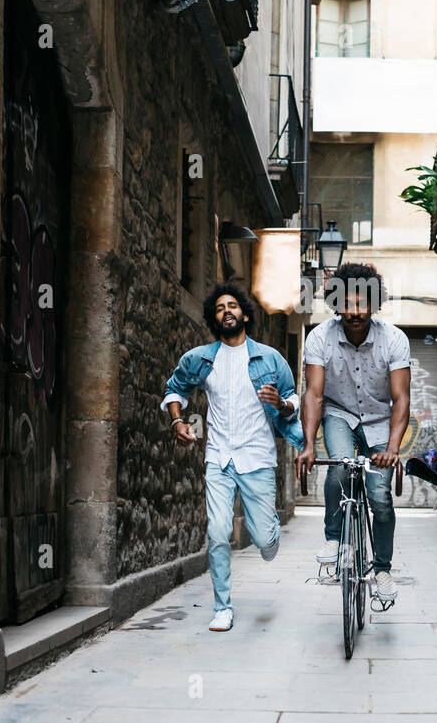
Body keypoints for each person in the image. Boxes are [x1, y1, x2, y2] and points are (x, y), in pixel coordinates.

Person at [162, 283, 303, 632]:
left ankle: (269, 536)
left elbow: (292, 399)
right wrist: (178, 421)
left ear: (245, 314)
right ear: (214, 317)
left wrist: (282, 403)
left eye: (233, 306)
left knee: (264, 542)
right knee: (219, 531)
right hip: (219, 458)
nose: (227, 311)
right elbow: (174, 388)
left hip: (257, 457)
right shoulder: (201, 359)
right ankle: (222, 607)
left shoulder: (270, 358)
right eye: (220, 307)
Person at [295, 263, 410, 606]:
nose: (356, 311)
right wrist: (307, 444)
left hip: (379, 419)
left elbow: (401, 397)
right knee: (340, 468)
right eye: (348, 303)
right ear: (336, 303)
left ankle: (383, 570)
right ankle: (333, 538)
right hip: (338, 414)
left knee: (380, 496)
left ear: (375, 304)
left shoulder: (394, 339)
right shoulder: (319, 337)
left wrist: (392, 448)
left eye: (363, 303)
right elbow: (314, 395)